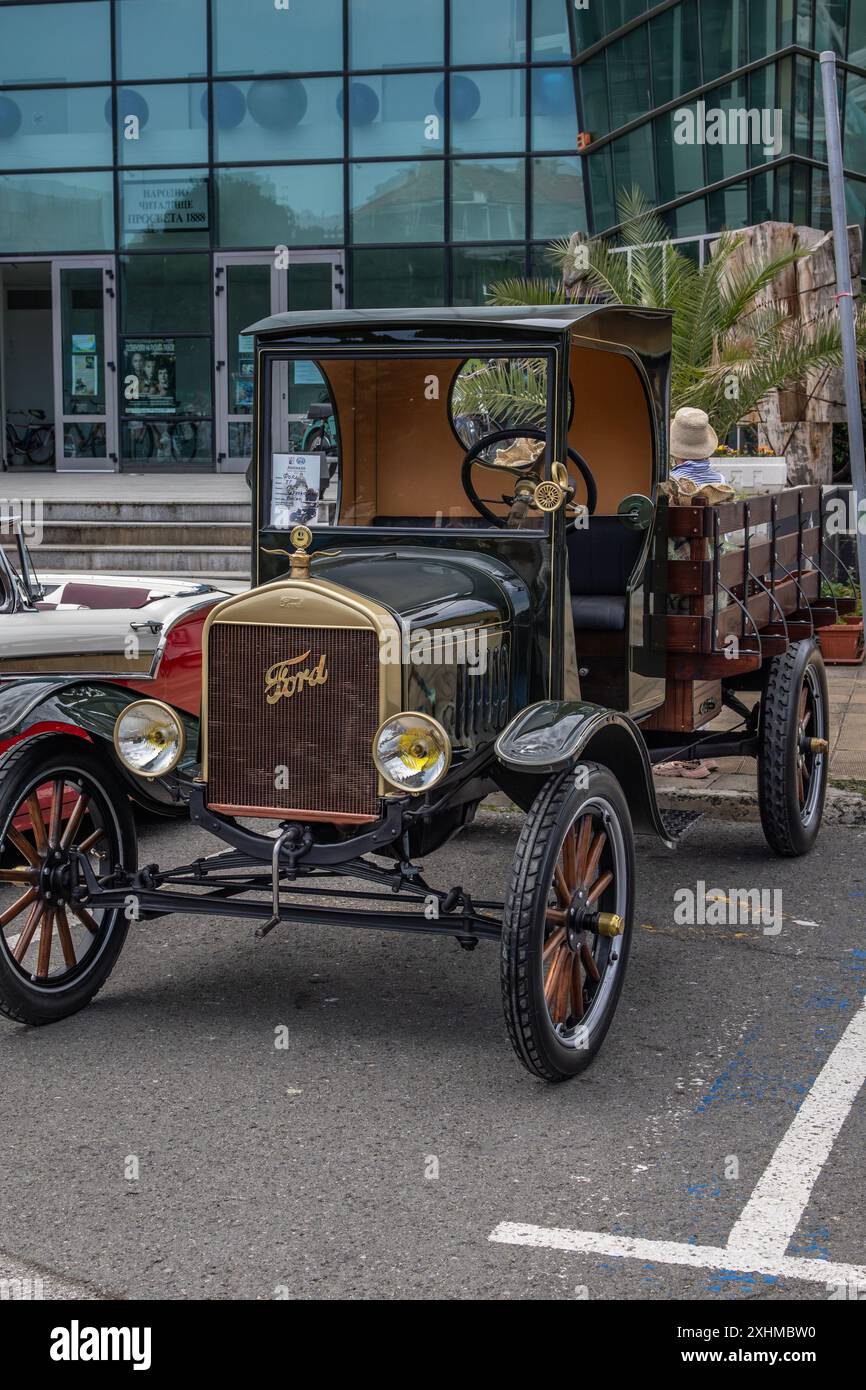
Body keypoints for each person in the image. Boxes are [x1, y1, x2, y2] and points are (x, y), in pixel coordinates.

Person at [654, 407, 727, 781]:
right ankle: (697, 745)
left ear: (676, 449)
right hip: (716, 595)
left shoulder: (673, 486)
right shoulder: (718, 479)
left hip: (684, 597)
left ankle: (677, 754)